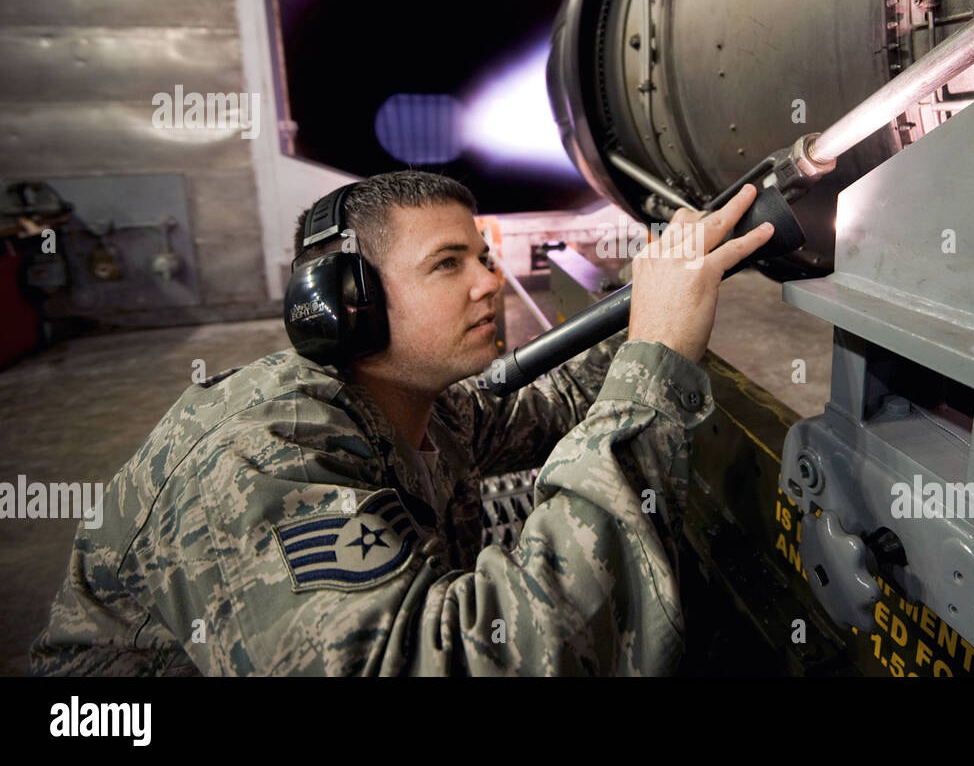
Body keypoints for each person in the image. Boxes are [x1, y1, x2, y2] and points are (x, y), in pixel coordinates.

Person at [30, 170, 773, 675]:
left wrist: (661, 287)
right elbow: (460, 661)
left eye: (483, 256)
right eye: (448, 264)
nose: (490, 282)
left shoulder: (414, 405)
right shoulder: (255, 460)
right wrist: (656, 355)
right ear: (347, 304)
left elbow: (558, 404)